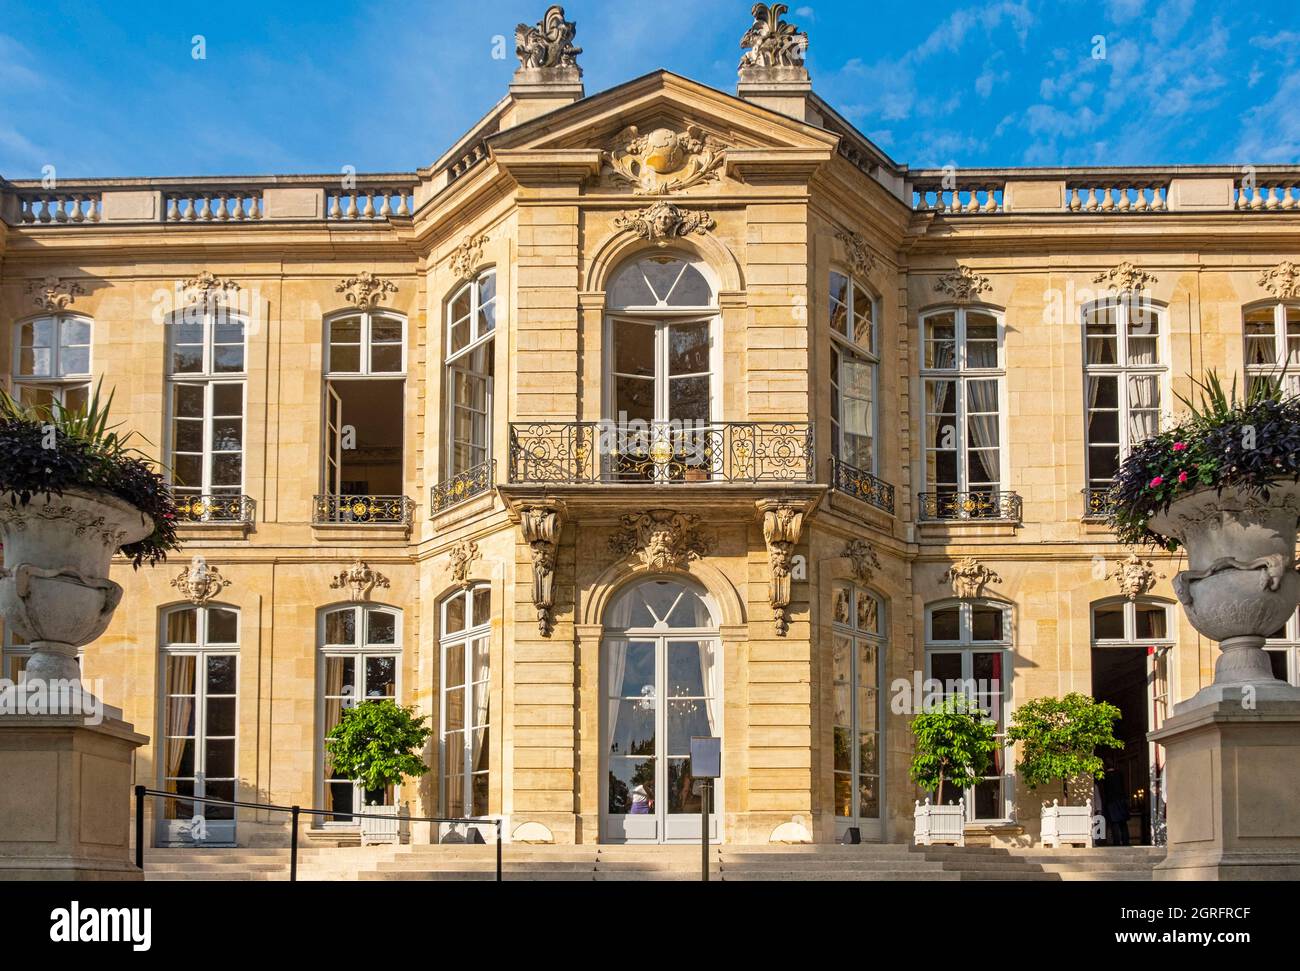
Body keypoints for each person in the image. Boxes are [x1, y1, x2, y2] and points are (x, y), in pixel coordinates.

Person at [1102, 759, 1131, 846]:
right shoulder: (1119, 774)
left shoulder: (1105, 776)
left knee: (1114, 823)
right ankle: (1126, 841)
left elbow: (1105, 791)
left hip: (1111, 802)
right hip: (1121, 801)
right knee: (1123, 823)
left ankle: (1116, 842)